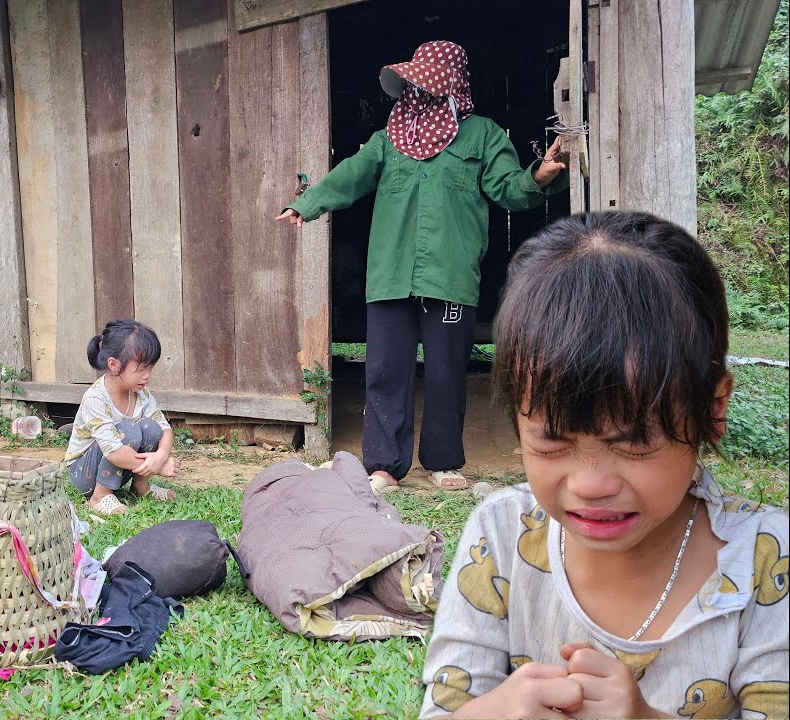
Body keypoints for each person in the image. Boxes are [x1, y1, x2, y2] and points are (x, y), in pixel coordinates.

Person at [420, 211, 789, 719]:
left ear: (712, 408)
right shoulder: (501, 537)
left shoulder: (765, 561)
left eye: (635, 443)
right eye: (552, 442)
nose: (591, 484)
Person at [277, 41, 568, 491]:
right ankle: (383, 466)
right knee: (385, 371)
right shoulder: (388, 140)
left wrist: (540, 175)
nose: (418, 92)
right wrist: (309, 203)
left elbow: (509, 190)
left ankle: (443, 461)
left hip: (450, 275)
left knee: (447, 371)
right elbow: (350, 174)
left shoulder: (483, 135)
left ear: (451, 83)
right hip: (391, 274)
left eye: (427, 82)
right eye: (413, 83)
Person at [64, 319, 179, 516]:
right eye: (141, 369)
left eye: (150, 368)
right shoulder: (95, 398)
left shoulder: (141, 394)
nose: (147, 376)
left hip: (119, 463)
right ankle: (100, 496)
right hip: (83, 472)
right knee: (129, 430)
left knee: (151, 427)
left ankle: (140, 486)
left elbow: (164, 428)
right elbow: (113, 452)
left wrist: (160, 457)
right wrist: (158, 468)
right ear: (114, 365)